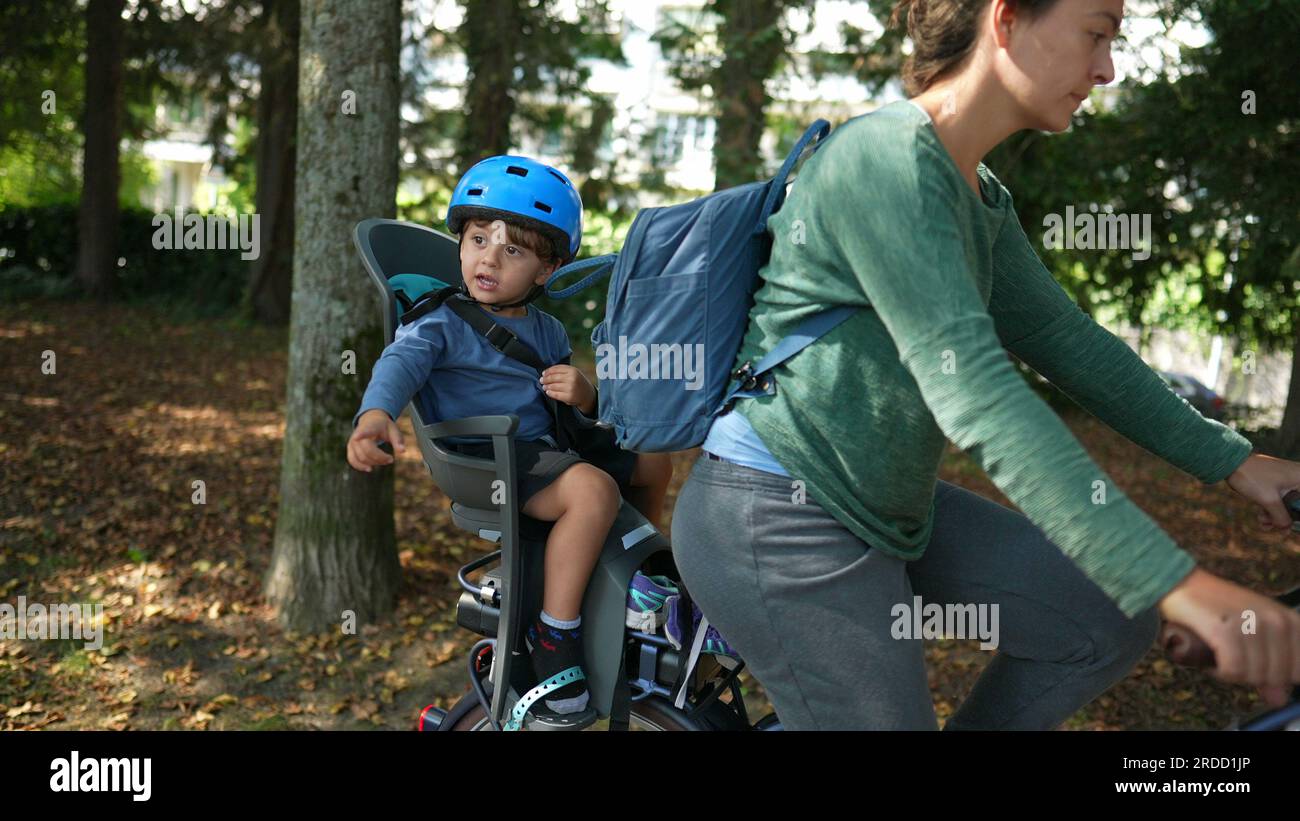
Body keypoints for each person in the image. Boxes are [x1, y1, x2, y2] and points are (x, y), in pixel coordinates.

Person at [670, 0, 1300, 730]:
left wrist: (1234, 459)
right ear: (1005, 20)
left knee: (1101, 619)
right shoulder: (883, 159)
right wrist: (1175, 580)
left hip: (885, 503)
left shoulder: (977, 192)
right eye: (1096, 34)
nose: (1108, 67)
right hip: (776, 514)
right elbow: (978, 392)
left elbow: (1072, 344)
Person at [346, 156, 673, 715]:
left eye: (513, 250)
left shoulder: (546, 329)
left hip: (546, 449)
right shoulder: (439, 321)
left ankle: (639, 577)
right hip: (489, 460)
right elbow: (399, 364)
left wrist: (586, 393)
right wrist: (376, 415)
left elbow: (569, 409)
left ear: (546, 271)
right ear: (461, 243)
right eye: (477, 240)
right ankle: (555, 633)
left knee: (655, 460)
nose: (488, 258)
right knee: (591, 489)